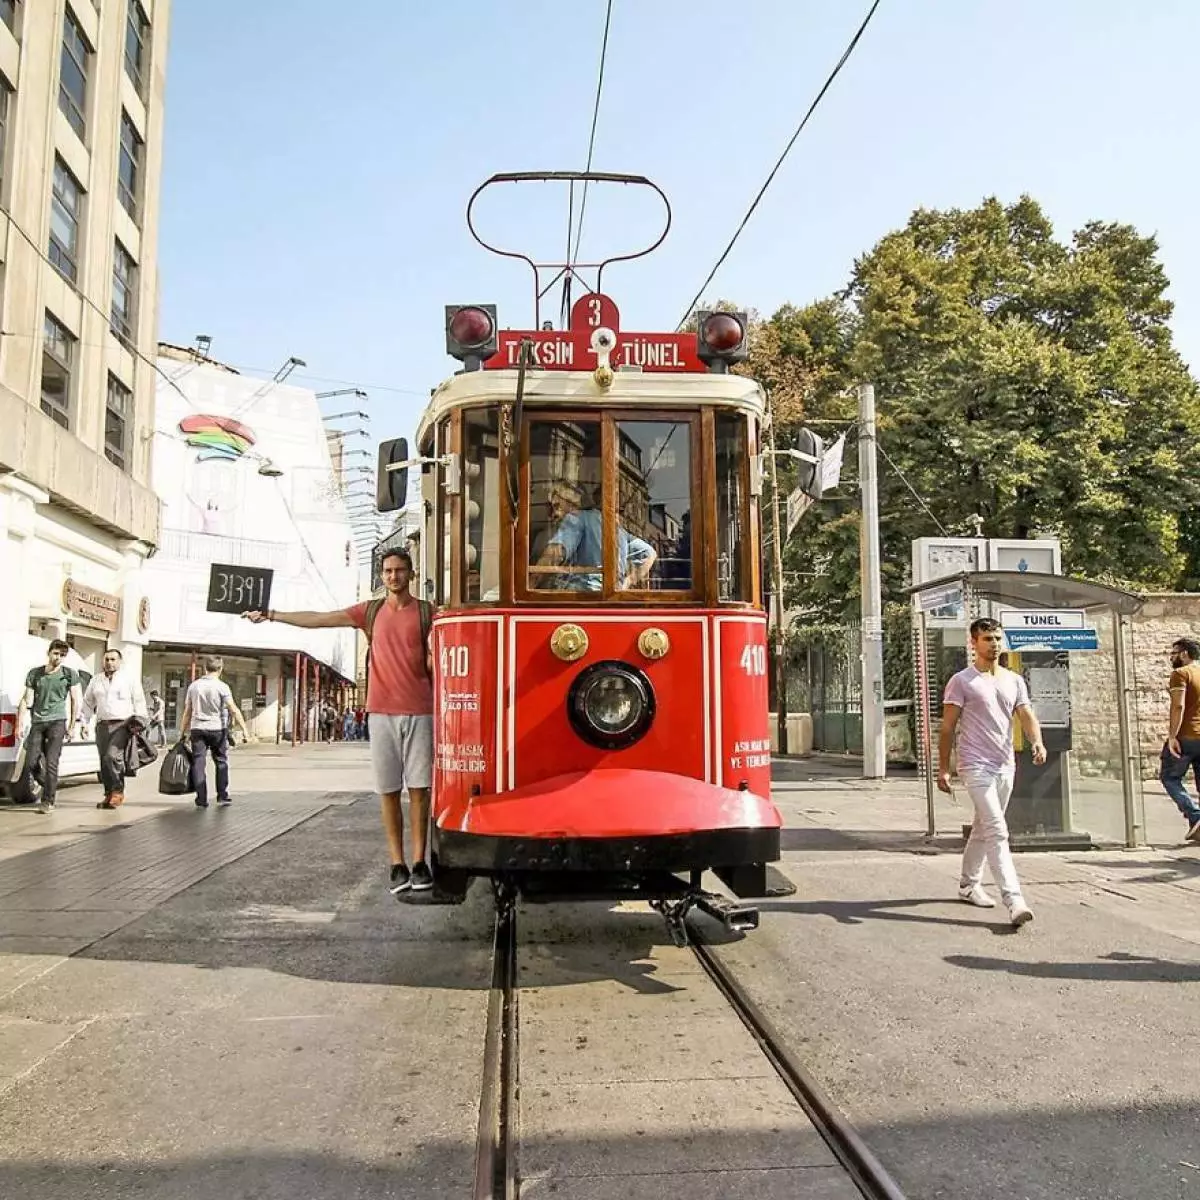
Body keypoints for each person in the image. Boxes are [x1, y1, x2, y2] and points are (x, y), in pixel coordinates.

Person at [242, 549, 434, 895]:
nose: (394, 576)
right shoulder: (369, 611)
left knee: (420, 790)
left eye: (400, 570)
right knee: (388, 791)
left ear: (411, 573)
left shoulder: (427, 613)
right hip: (380, 713)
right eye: (388, 571)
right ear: (381, 576)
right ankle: (397, 863)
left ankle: (420, 862)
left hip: (421, 710)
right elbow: (320, 618)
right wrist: (272, 615)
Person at [938, 617, 1045, 928]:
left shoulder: (1013, 680)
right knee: (997, 829)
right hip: (974, 764)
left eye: (997, 637)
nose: (994, 643)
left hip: (1004, 764)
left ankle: (968, 885)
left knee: (984, 827)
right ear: (973, 643)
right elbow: (947, 727)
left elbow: (1026, 714)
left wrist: (1036, 742)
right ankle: (1014, 900)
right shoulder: (962, 681)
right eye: (987, 638)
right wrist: (944, 769)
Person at [536, 486, 656, 592]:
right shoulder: (622, 533)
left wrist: (531, 582)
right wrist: (628, 582)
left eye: (558, 505)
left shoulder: (580, 518)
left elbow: (556, 552)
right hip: (613, 597)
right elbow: (650, 553)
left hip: (582, 596)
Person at [16, 639, 82, 813]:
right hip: (38, 721)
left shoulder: (69, 674)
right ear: (49, 652)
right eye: (55, 653)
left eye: (62, 655)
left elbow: (75, 700)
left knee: (52, 762)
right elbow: (26, 699)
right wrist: (19, 723)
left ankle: (48, 801)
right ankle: (49, 784)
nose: (58, 658)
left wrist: (72, 725)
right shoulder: (35, 674)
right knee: (30, 762)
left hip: (57, 722)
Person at [180, 656, 253, 808]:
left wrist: (183, 732)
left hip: (197, 728)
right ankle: (222, 795)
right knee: (221, 761)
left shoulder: (194, 686)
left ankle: (201, 798)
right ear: (220, 669)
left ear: (204, 668)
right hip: (217, 729)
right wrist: (245, 730)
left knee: (198, 762)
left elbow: (188, 711)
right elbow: (233, 709)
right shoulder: (222, 687)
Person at [81, 648, 148, 809]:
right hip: (103, 725)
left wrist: (140, 722)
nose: (109, 663)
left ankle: (118, 791)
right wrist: (84, 722)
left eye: (113, 659)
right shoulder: (96, 680)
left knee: (112, 757)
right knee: (104, 760)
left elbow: (139, 701)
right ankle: (108, 793)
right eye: (107, 660)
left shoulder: (129, 680)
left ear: (119, 662)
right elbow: (88, 703)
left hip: (122, 725)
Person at [1159, 636, 1200, 843]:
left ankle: (1195, 816)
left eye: (1174, 653)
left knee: (1170, 777)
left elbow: (1178, 706)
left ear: (1184, 654)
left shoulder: (1180, 674)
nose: (1171, 657)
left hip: (1186, 735)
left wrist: (1172, 736)